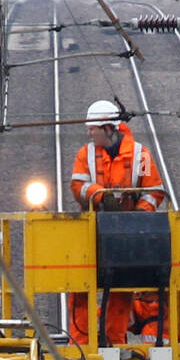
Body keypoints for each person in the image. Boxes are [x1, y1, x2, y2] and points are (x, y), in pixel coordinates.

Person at [68, 100, 164, 345]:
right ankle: (81, 345)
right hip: (93, 232)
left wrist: (139, 216)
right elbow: (78, 186)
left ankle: (113, 343)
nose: (89, 133)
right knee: (79, 290)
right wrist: (101, 196)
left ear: (109, 129)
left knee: (121, 291)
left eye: (94, 129)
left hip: (127, 238)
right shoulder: (86, 154)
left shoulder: (140, 155)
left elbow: (154, 191)